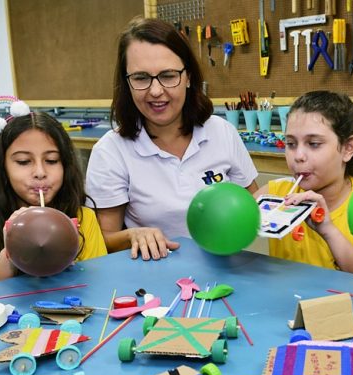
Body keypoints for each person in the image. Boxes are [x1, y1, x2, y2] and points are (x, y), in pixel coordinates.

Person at [86, 17, 259, 260]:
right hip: (154, 277)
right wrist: (133, 235)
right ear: (126, 83)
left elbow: (253, 205)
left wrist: (284, 205)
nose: (156, 91)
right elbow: (102, 239)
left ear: (188, 77)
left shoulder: (221, 132)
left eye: (168, 75)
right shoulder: (111, 151)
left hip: (228, 269)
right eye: (141, 78)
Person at [0, 111, 107, 291]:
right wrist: (11, 255)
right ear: (1, 167)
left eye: (52, 160)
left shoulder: (83, 217)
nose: (40, 172)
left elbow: (100, 286)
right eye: (24, 161)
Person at [255, 91, 353, 282]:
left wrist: (328, 231)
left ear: (348, 148)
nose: (298, 156)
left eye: (314, 144)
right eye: (291, 143)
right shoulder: (273, 194)